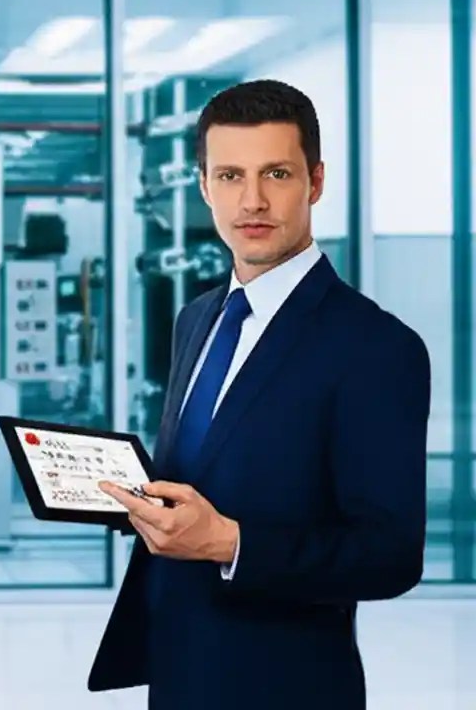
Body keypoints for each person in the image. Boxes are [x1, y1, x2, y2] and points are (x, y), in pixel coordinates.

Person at [89, 79, 431, 710]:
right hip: (178, 669)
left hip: (287, 685)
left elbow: (390, 555)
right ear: (202, 186)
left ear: (316, 182)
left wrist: (230, 542)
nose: (252, 200)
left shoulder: (376, 347)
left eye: (276, 172)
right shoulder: (197, 318)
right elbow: (209, 467)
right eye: (228, 175)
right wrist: (129, 497)